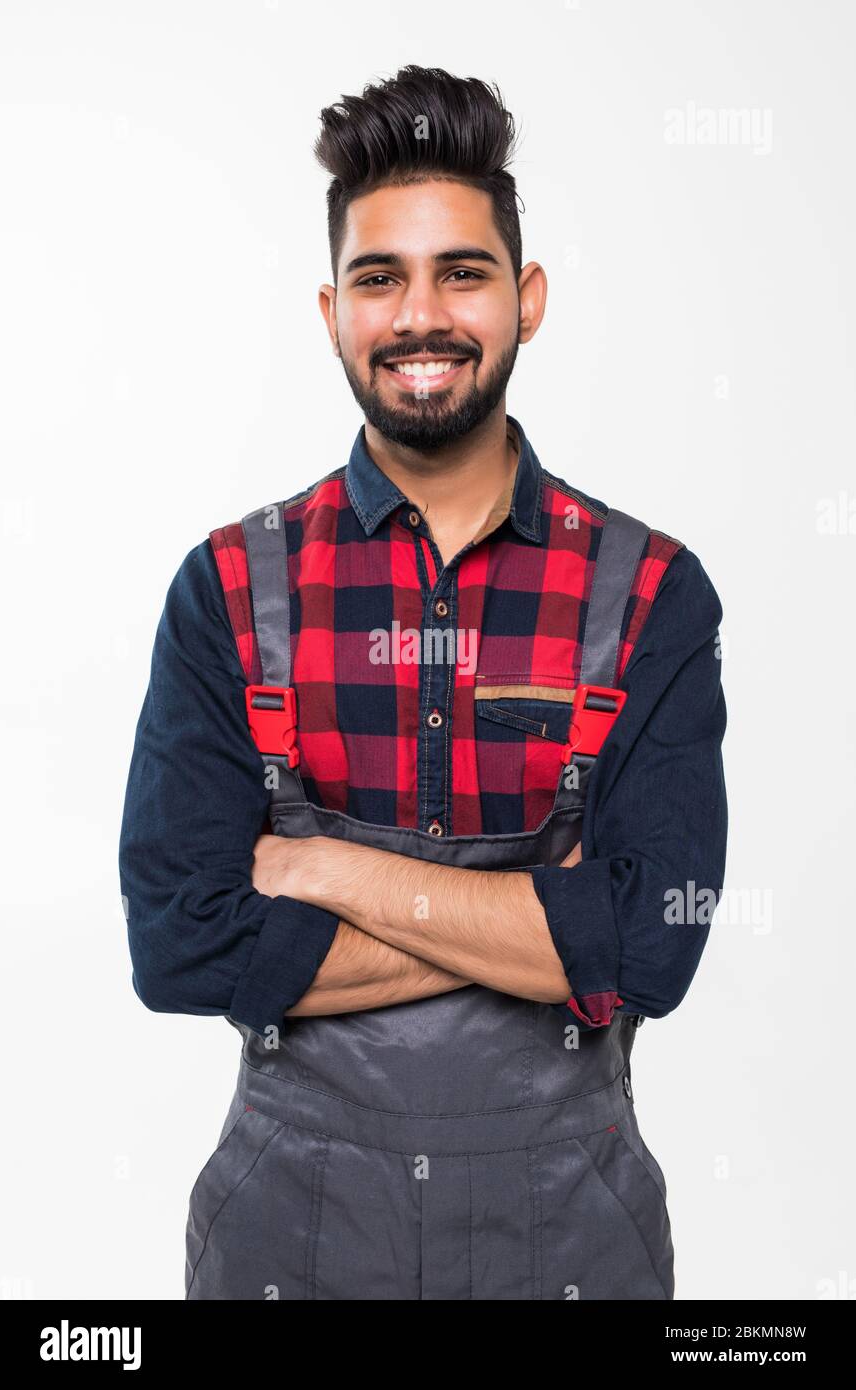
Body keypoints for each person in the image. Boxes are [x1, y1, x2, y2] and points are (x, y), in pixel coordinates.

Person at [119, 65, 727, 1301]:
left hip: (574, 1239)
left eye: (462, 271)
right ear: (332, 310)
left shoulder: (652, 591)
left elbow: (652, 946)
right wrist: (544, 927)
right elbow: (178, 946)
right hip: (287, 1236)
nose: (419, 316)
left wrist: (322, 871)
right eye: (379, 278)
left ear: (527, 297)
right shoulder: (227, 590)